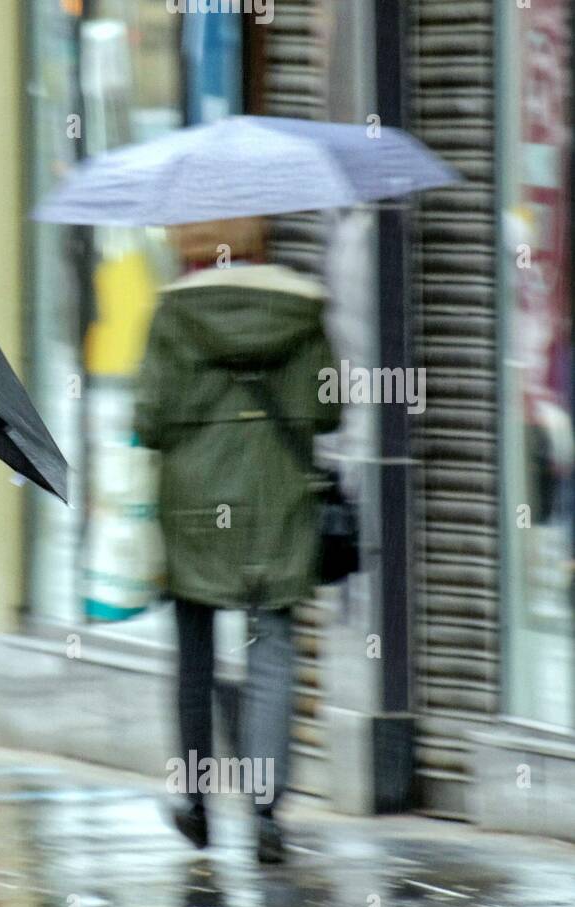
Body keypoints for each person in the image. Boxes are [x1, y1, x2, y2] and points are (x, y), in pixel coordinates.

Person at [135, 216, 342, 864]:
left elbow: (150, 418)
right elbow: (326, 411)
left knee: (194, 657)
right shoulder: (302, 309)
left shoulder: (172, 313)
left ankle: (196, 802)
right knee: (272, 648)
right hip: (278, 497)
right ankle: (266, 814)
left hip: (192, 504)